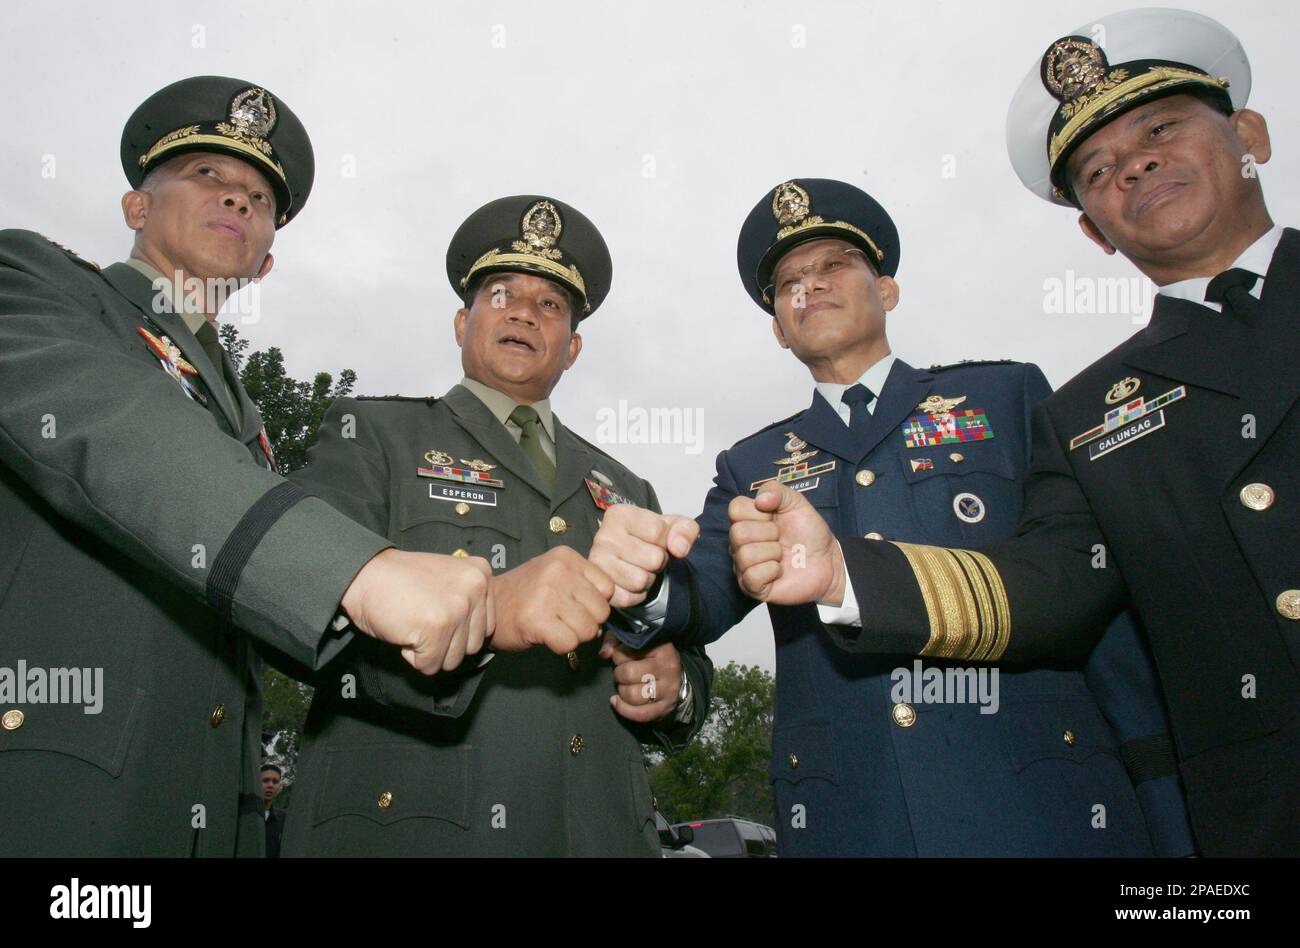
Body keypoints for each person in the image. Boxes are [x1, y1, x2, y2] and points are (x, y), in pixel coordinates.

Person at [727, 9, 1298, 857]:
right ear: (1092, 229)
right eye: (1098, 168)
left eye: (1162, 127)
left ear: (1248, 133)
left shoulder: (1012, 398)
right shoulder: (1090, 412)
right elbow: (1053, 592)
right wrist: (850, 574)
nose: (1134, 163)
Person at [594, 178, 1192, 856]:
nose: (809, 286)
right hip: (854, 816)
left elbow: (1091, 597)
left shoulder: (1003, 399)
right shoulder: (751, 461)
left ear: (886, 290)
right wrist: (641, 576)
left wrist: (1166, 808)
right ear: (779, 330)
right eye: (789, 282)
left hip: (1038, 802)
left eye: (833, 265)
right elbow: (699, 589)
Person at [0, 76, 493, 856]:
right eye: (209, 177)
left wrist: (485, 624)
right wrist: (356, 569)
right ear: (137, 206)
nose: (237, 201)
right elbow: (115, 426)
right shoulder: (38, 285)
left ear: (265, 263)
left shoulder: (242, 418)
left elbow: (283, 614)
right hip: (55, 800)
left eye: (259, 199)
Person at [282, 195, 713, 857]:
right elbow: (298, 600)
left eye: (549, 305)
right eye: (501, 293)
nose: (522, 312)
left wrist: (673, 685)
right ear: (462, 323)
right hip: (423, 832)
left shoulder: (629, 490)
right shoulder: (372, 434)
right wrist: (486, 614)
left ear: (572, 347)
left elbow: (685, 652)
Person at [261, 764, 286, 858]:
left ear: (279, 787)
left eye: (275, 781)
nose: (270, 785)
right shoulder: (242, 815)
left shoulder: (284, 819)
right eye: (265, 780)